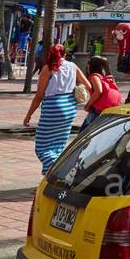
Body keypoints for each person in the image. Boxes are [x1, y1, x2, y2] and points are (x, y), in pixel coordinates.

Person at [23, 44, 80, 174]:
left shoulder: (48, 69)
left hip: (53, 108)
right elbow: (87, 85)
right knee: (58, 146)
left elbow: (39, 95)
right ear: (65, 54)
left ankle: (58, 174)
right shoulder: (73, 66)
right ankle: (53, 176)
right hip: (70, 106)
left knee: (42, 147)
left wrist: (29, 115)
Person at [80, 56, 122, 130]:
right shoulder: (107, 77)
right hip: (108, 107)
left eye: (89, 63)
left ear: (92, 65)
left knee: (85, 131)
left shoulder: (94, 76)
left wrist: (88, 104)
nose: (87, 65)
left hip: (97, 108)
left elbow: (98, 91)